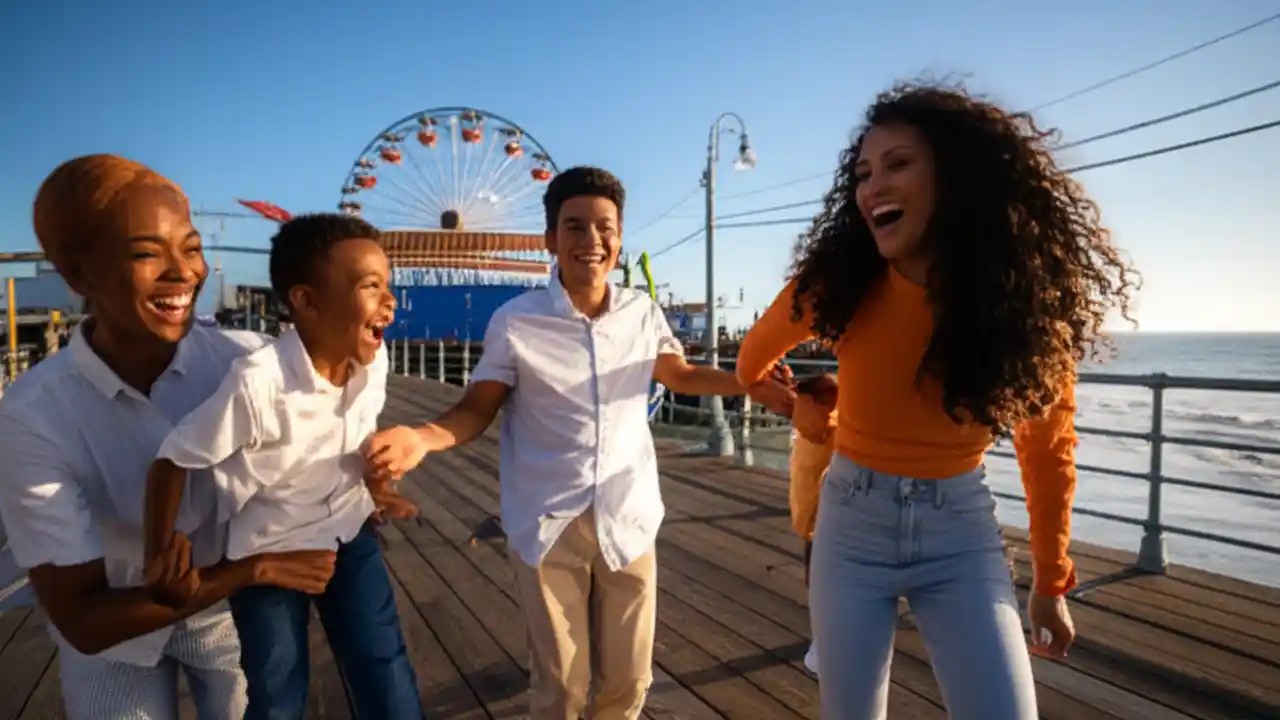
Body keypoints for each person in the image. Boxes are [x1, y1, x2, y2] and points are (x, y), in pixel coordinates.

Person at [737, 81, 1139, 719]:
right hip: (851, 525)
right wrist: (789, 401)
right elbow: (750, 359)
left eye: (898, 164)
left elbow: (1048, 451)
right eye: (864, 174)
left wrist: (1050, 579)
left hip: (961, 530)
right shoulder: (837, 284)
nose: (872, 189)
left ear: (955, 177)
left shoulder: (1024, 313)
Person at [363, 166, 791, 720]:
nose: (592, 241)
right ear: (550, 240)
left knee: (629, 682)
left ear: (619, 236)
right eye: (575, 227)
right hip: (548, 521)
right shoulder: (515, 322)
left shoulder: (642, 312)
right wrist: (422, 437)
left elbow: (679, 375)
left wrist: (746, 382)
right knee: (561, 687)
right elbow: (477, 408)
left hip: (629, 514)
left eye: (605, 227)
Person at [0, 154, 340, 719]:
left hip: (231, 618)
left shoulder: (250, 363)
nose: (184, 272)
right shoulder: (34, 414)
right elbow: (84, 621)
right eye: (145, 254)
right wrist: (250, 570)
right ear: (78, 275)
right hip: (118, 638)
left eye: (191, 248)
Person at [142, 214, 422, 720]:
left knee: (384, 664)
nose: (390, 301)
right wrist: (160, 547)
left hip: (348, 529)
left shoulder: (373, 362)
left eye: (389, 285)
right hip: (269, 550)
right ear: (306, 301)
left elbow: (345, 440)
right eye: (370, 286)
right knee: (276, 689)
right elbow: (173, 456)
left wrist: (376, 483)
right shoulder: (257, 384)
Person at [787, 372, 838, 675]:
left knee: (820, 579)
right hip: (825, 516)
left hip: (815, 517)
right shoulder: (833, 426)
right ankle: (826, 640)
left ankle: (824, 640)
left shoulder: (809, 427)